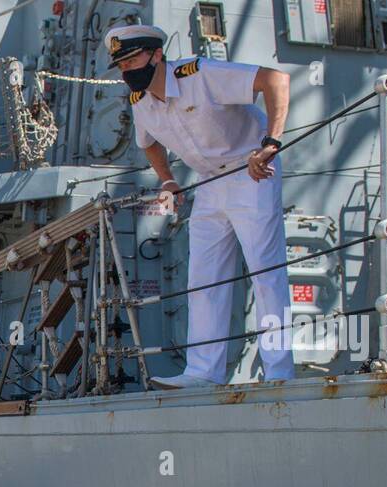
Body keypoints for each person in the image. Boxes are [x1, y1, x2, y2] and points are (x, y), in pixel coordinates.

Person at [105, 24, 293, 388]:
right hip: (209, 181)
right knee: (203, 278)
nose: (127, 70)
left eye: (132, 60)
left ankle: (279, 373)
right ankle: (203, 371)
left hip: (250, 169)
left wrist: (270, 143)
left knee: (265, 272)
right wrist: (169, 180)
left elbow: (276, 80)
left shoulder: (199, 74)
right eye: (122, 65)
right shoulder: (141, 101)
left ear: (156, 55)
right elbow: (148, 143)